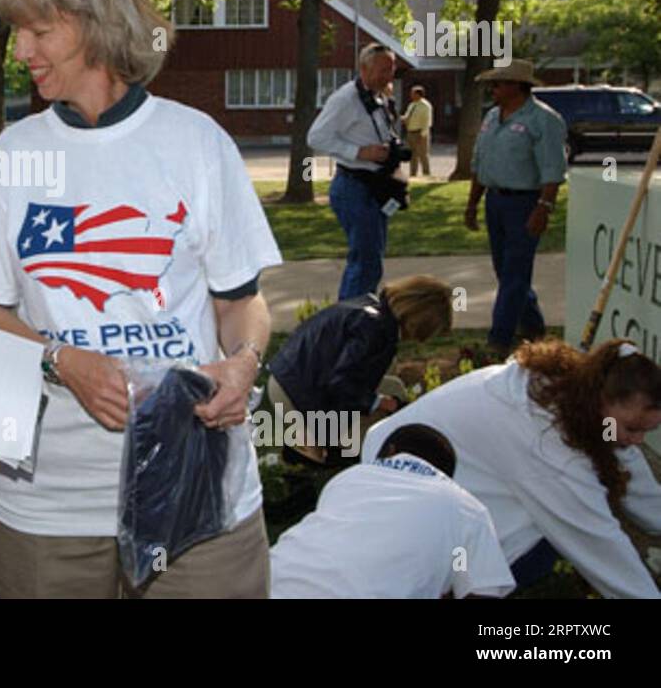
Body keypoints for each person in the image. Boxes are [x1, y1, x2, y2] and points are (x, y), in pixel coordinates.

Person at [0, 0, 283, 599]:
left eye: (38, 30)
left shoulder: (196, 142)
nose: (20, 50)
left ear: (97, 23)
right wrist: (60, 359)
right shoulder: (12, 154)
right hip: (47, 502)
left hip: (196, 492)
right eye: (16, 31)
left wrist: (243, 365)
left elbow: (240, 300)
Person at [364, 339, 661, 598]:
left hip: (412, 458)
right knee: (546, 534)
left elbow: (627, 465)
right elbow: (597, 542)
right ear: (602, 400)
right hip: (398, 485)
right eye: (633, 428)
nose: (637, 440)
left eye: (646, 430)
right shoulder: (544, 443)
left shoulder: (577, 390)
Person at [271, 424, 515, 598]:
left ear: (390, 451)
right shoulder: (464, 508)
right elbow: (476, 585)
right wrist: (455, 573)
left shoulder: (349, 479)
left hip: (265, 583)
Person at [265, 275, 452, 466]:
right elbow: (341, 385)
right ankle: (344, 456)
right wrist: (380, 403)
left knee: (393, 388)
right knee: (379, 415)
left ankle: (319, 447)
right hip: (300, 395)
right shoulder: (375, 330)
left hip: (288, 378)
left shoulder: (371, 306)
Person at [464, 59, 566, 352]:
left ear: (517, 86)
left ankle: (499, 339)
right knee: (506, 271)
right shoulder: (492, 117)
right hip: (495, 200)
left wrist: (544, 207)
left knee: (514, 273)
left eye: (498, 83)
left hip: (525, 203)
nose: (492, 89)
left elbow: (552, 168)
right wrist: (472, 204)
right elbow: (479, 163)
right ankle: (534, 327)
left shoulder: (543, 120)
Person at [307, 43, 405, 300]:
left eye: (392, 68)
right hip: (355, 188)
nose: (389, 74)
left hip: (376, 187)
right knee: (364, 263)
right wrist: (359, 152)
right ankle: (349, 322)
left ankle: (360, 317)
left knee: (372, 261)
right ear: (364, 69)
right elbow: (316, 137)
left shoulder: (378, 96)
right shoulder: (346, 99)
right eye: (384, 69)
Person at [401, 84, 433, 178]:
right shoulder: (412, 105)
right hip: (411, 132)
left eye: (413, 93)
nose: (411, 95)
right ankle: (413, 174)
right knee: (413, 155)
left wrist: (423, 134)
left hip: (420, 133)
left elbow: (427, 120)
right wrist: (403, 119)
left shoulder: (425, 106)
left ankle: (426, 174)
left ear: (419, 94)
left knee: (423, 154)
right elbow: (408, 116)